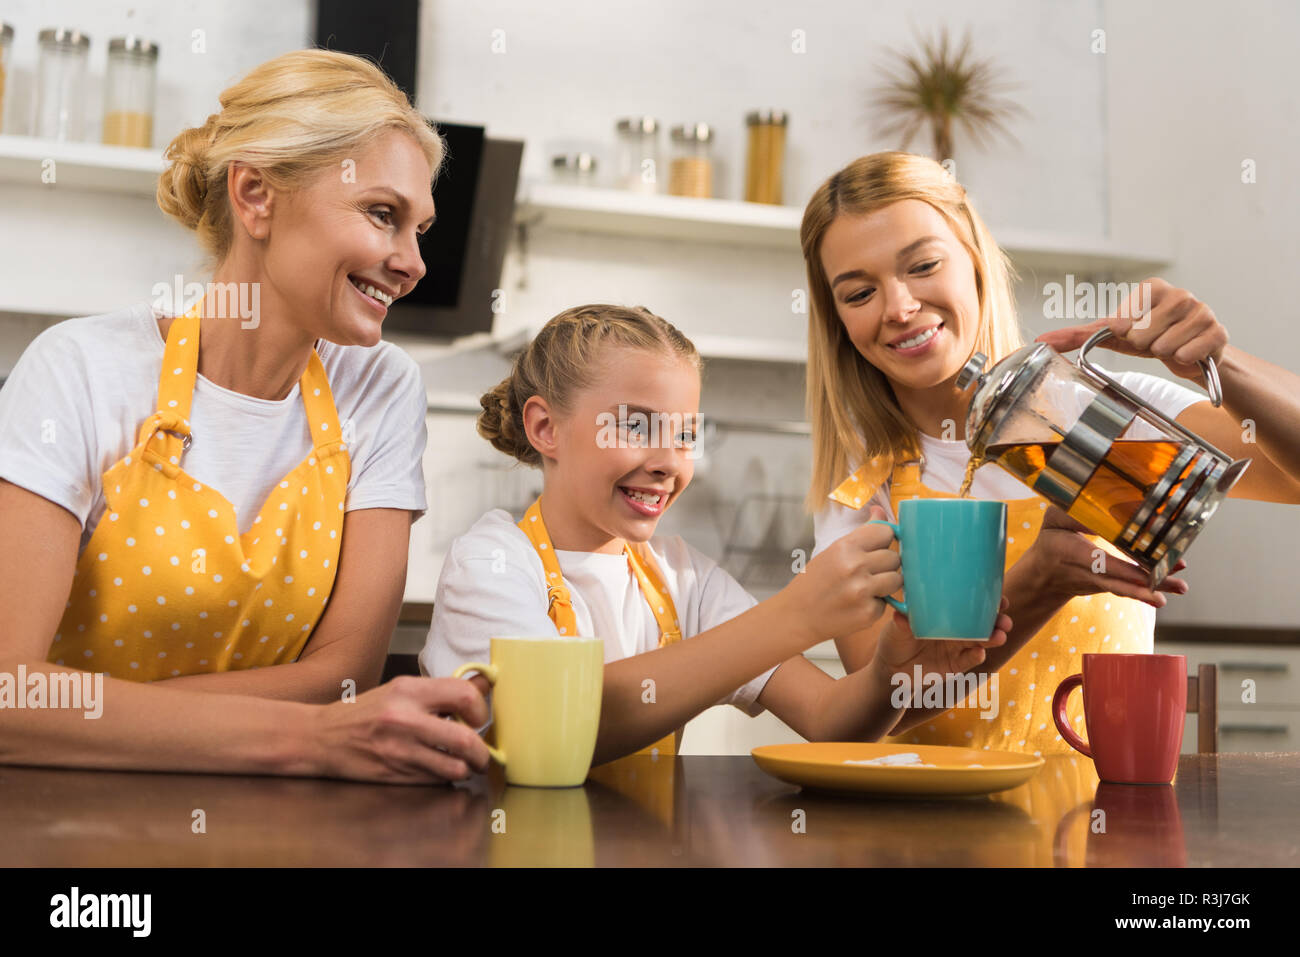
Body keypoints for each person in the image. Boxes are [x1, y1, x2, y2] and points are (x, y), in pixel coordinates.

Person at [0, 49, 492, 783]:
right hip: (62, 805)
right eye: (382, 215)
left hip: (276, 819)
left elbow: (344, 676)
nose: (412, 261)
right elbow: (14, 696)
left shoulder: (381, 389)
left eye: (418, 228)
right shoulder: (79, 370)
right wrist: (312, 737)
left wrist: (104, 716)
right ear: (256, 194)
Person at [801, 151, 1300, 755]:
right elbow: (885, 710)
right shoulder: (863, 488)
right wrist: (1038, 582)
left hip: (1111, 826)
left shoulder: (1110, 414)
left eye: (924, 264)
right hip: (930, 834)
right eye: (859, 293)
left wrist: (1220, 363)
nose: (900, 307)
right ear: (838, 321)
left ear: (975, 261)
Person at [421, 303, 1012, 767]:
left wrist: (891, 673)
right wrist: (798, 615)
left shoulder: (685, 578)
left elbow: (829, 720)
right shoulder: (492, 563)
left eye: (683, 436)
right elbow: (546, 725)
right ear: (545, 428)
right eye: (634, 426)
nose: (668, 462)